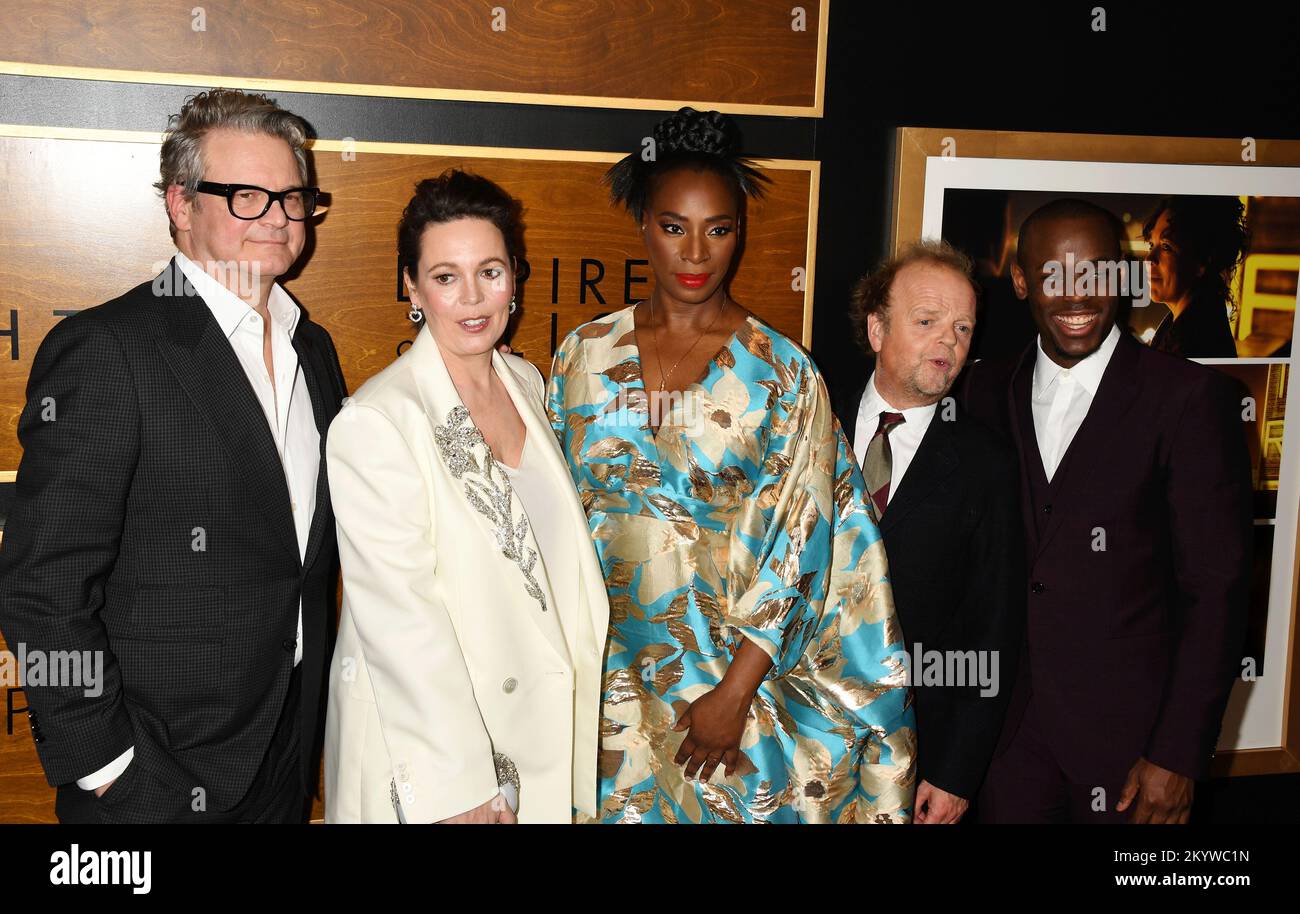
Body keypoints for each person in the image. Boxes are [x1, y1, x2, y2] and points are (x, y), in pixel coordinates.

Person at [547, 108, 915, 824]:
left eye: (718, 229)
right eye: (673, 227)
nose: (695, 253)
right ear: (643, 226)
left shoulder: (782, 374)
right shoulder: (582, 356)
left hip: (725, 694)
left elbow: (805, 542)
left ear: (738, 234)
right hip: (600, 689)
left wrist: (734, 694)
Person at [0, 88, 346, 823]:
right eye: (247, 196)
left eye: (293, 197)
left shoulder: (311, 350)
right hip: (152, 777)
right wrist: (107, 768)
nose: (279, 218)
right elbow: (42, 586)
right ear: (180, 205)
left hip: (283, 764)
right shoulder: (109, 350)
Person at [324, 170, 610, 824]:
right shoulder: (379, 420)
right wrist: (461, 791)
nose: (473, 297)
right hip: (435, 764)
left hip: (533, 738)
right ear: (412, 286)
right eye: (446, 276)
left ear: (516, 275)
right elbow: (402, 623)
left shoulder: (525, 381)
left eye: (491, 271)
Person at [961, 198, 1253, 824]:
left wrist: (1177, 754)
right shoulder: (983, 391)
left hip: (1133, 750)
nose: (1079, 294)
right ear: (1020, 281)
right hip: (1005, 744)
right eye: (1055, 275)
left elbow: (1218, 592)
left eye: (1096, 272)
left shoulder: (1189, 399)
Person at [829, 240, 1025, 824]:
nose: (949, 340)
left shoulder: (986, 463)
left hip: (910, 748)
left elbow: (995, 626)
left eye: (963, 328)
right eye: (927, 321)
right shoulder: (810, 419)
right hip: (786, 729)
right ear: (876, 329)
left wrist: (956, 772)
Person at [1144, 195, 1248, 358]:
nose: (1149, 259)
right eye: (1151, 244)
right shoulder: (1200, 320)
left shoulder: (1192, 345)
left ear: (1203, 259)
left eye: (1166, 246)